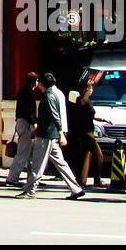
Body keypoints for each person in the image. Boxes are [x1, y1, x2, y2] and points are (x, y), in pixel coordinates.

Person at [18, 72, 85, 200]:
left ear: (42, 84)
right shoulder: (57, 93)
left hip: (46, 135)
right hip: (50, 135)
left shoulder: (48, 96)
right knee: (61, 163)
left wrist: (60, 133)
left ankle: (30, 190)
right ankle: (76, 189)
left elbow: (54, 115)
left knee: (37, 164)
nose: (38, 85)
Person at [71, 81, 108, 189]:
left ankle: (81, 180)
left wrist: (104, 119)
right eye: (90, 89)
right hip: (85, 132)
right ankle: (97, 179)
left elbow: (93, 114)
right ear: (85, 89)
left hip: (89, 130)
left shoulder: (88, 102)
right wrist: (88, 90)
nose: (92, 91)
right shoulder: (81, 100)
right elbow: (84, 101)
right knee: (98, 155)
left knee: (86, 155)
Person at [4, 71, 39, 187]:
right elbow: (30, 111)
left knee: (28, 153)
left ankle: (31, 177)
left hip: (20, 123)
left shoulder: (22, 91)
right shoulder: (29, 93)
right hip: (26, 124)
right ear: (35, 82)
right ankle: (12, 178)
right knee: (23, 153)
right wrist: (34, 123)